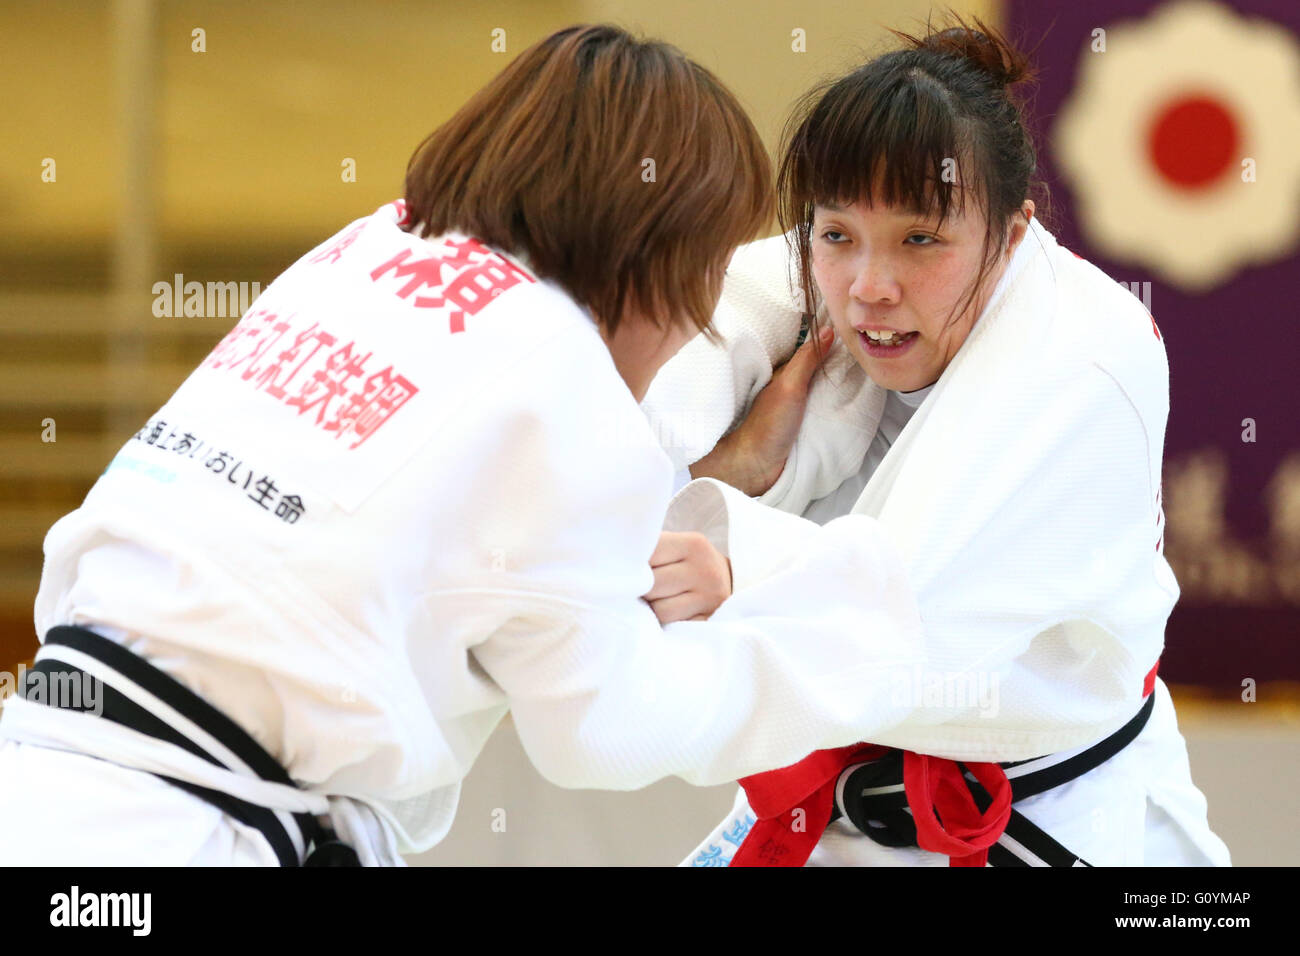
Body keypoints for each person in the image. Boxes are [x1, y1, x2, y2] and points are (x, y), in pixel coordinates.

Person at [0, 24, 935, 865]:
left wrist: (713, 482)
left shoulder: (364, 249)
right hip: (183, 834)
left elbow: (445, 525)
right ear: (661, 257)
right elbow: (605, 730)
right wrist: (844, 610)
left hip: (40, 767)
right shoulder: (565, 383)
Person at [643, 16, 1231, 867]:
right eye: (835, 233)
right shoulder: (805, 279)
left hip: (1064, 815)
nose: (869, 288)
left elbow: (915, 630)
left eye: (922, 240)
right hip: (838, 808)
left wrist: (738, 560)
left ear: (1012, 231)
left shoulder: (1089, 351)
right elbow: (633, 449)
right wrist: (725, 471)